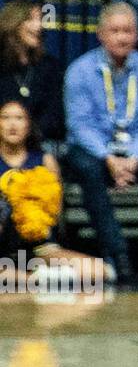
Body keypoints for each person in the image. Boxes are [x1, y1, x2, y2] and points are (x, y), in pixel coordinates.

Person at [63, 3, 138, 282]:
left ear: (136, 35)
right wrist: (109, 158)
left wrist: (134, 158)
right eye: (115, 31)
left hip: (135, 147)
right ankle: (118, 253)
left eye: (127, 31)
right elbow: (80, 125)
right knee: (87, 169)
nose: (122, 38)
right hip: (94, 148)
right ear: (101, 34)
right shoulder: (80, 70)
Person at [0, 98, 106, 288]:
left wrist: (32, 208)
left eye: (19, 118)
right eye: (5, 118)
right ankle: (34, 279)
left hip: (40, 245)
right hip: (2, 243)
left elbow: (56, 214)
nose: (12, 124)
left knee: (97, 271)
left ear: (29, 125)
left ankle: (24, 278)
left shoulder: (45, 160)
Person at [0, 0, 64, 140]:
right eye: (31, 20)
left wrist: (27, 135)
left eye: (40, 20)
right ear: (12, 24)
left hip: (38, 143)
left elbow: (54, 116)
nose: (39, 26)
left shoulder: (50, 67)